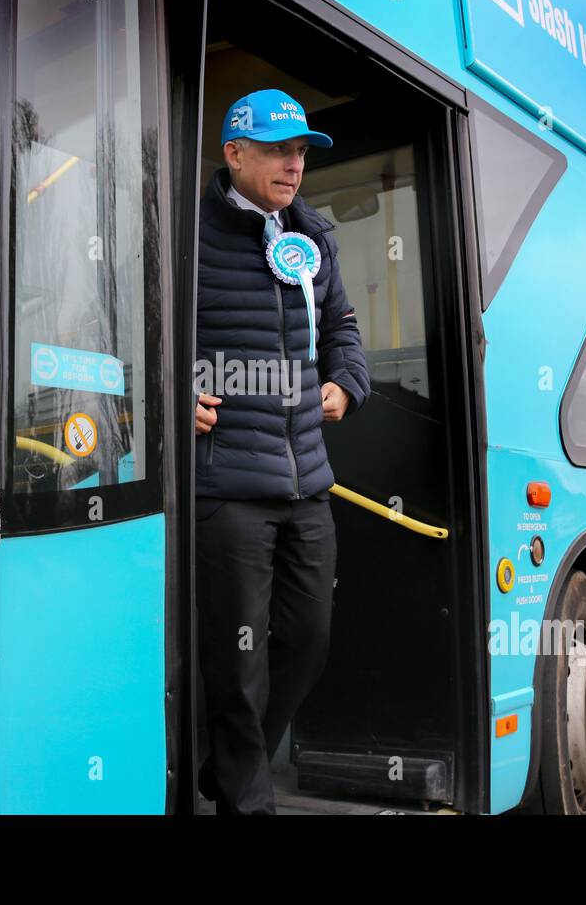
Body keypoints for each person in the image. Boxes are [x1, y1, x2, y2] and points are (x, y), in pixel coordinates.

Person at [195, 88, 370, 814]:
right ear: (234, 153)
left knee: (308, 639)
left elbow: (344, 329)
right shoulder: (188, 232)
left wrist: (345, 384)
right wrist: (174, 391)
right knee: (239, 663)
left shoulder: (315, 237)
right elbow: (138, 328)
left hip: (308, 483)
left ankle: (231, 769)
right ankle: (247, 799)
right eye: (277, 149)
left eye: (301, 150)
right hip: (230, 486)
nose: (294, 163)